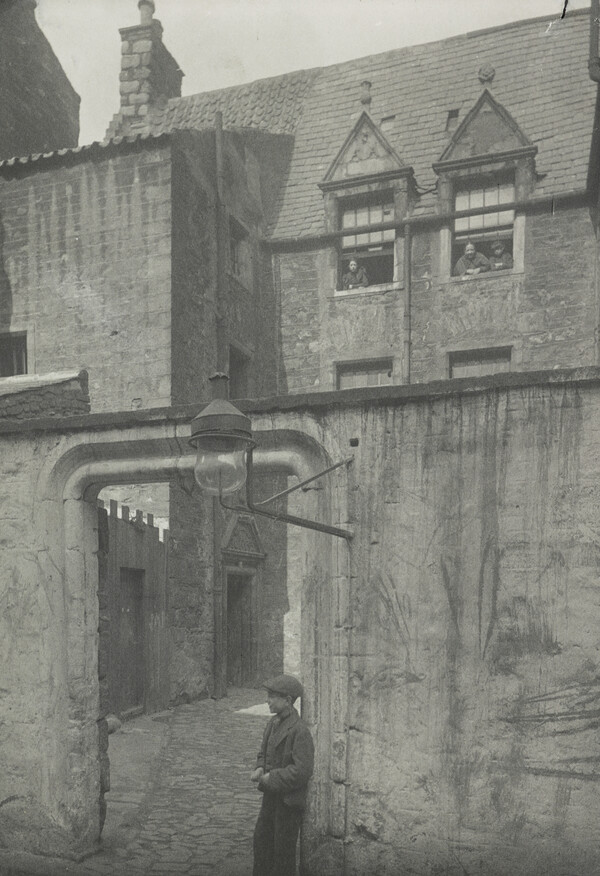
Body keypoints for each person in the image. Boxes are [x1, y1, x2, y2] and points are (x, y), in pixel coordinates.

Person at [252, 674, 314, 876]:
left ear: (287, 700)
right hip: (270, 799)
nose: (267, 701)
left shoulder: (299, 730)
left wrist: (272, 778)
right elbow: (263, 752)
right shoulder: (272, 724)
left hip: (288, 803)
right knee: (261, 843)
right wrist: (260, 767)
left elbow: (302, 771)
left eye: (272, 697)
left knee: (282, 854)